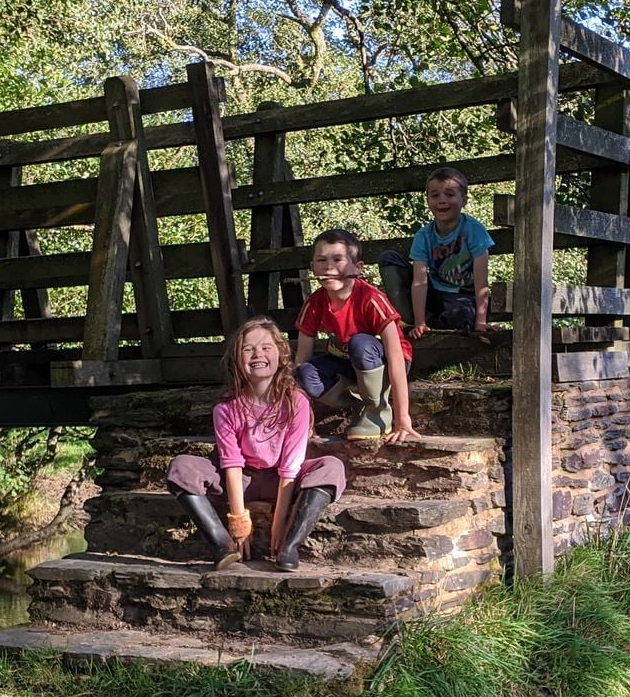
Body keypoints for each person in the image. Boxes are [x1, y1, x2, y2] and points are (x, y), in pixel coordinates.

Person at [166, 318, 345, 571]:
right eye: (248, 349)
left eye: (265, 347)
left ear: (281, 355)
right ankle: (222, 545)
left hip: (284, 481)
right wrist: (239, 522)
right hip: (242, 480)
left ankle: (290, 548)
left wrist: (280, 522)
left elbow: (291, 466)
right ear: (237, 359)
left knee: (331, 467)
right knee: (181, 467)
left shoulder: (296, 402)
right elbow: (231, 463)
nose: (257, 354)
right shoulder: (226, 408)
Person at [293, 228, 419, 442]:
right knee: (306, 374)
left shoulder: (371, 299)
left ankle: (379, 408)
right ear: (312, 267)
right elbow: (300, 360)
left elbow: (397, 357)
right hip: (348, 363)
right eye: (321, 260)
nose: (329, 267)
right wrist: (305, 422)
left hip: (385, 363)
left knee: (360, 343)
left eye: (338, 259)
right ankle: (361, 405)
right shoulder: (314, 303)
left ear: (358, 268)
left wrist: (403, 418)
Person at [379, 166, 493, 335]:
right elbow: (419, 282)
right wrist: (420, 323)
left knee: (460, 317)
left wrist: (481, 322)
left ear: (464, 200)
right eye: (435, 195)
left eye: (450, 194)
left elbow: (481, 283)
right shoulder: (424, 235)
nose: (442, 200)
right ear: (427, 200)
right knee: (388, 258)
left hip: (463, 297)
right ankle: (410, 322)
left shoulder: (474, 230)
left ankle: (439, 322)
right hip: (434, 294)